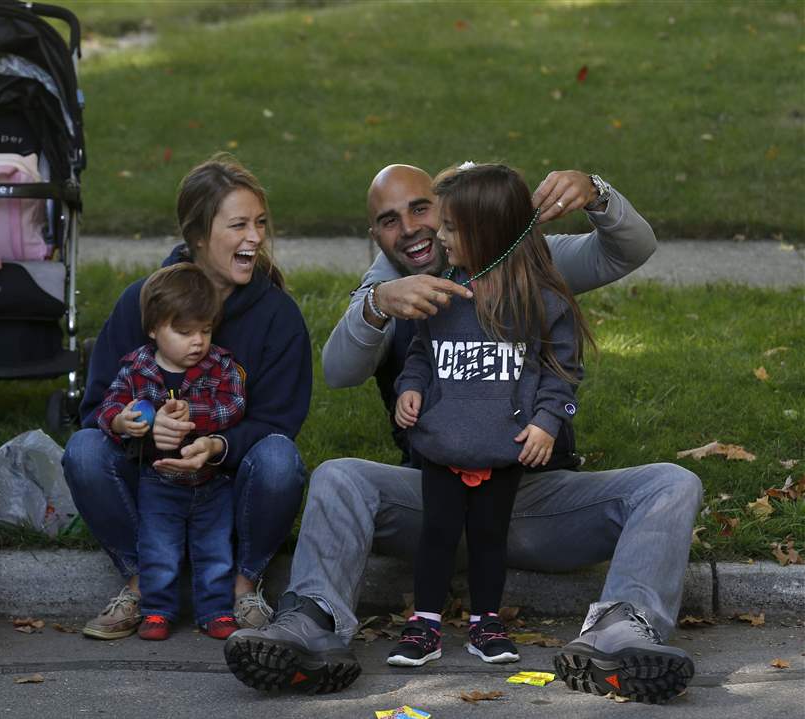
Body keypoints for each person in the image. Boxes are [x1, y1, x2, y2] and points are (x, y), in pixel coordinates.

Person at [225, 164, 702, 704]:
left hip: (535, 497)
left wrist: (596, 192)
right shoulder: (390, 278)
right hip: (436, 502)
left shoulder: (525, 260)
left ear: (456, 214)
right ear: (375, 236)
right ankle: (310, 625)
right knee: (339, 477)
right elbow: (338, 371)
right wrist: (380, 305)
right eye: (388, 220)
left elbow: (629, 250)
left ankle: (622, 631)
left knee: (671, 483)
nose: (409, 229)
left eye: (422, 210)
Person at [63, 155, 312, 639]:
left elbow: (278, 424)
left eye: (260, 223)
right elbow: (95, 409)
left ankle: (242, 586)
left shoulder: (277, 316)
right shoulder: (143, 301)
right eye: (239, 225)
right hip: (150, 485)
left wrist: (218, 446)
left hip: (229, 493)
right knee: (84, 451)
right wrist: (142, 425)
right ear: (198, 236)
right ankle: (142, 582)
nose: (256, 237)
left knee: (281, 459)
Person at [387, 164, 593, 668]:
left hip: (504, 447)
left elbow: (562, 369)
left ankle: (486, 623)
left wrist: (548, 421)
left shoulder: (536, 301)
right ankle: (425, 625)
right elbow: (419, 352)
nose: (439, 234)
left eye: (453, 228)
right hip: (441, 444)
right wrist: (410, 389)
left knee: (487, 538)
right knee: (435, 534)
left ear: (490, 233)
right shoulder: (438, 291)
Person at [95, 263, 246, 641]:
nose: (197, 341)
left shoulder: (220, 366)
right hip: (158, 479)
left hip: (211, 480)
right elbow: (109, 407)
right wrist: (123, 423)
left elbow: (234, 406)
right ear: (153, 329)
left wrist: (193, 414)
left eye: (205, 330)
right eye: (184, 332)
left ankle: (216, 610)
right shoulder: (137, 369)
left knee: (215, 548)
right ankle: (157, 610)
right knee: (157, 547)